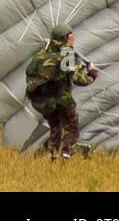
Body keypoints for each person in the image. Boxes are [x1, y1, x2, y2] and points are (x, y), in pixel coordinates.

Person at [26, 24, 99, 159]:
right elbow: (79, 80)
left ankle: (52, 155)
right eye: (70, 37)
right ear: (62, 38)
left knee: (55, 126)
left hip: (42, 101)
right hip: (61, 99)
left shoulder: (41, 54)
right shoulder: (66, 56)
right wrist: (92, 74)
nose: (73, 39)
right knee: (71, 127)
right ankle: (66, 152)